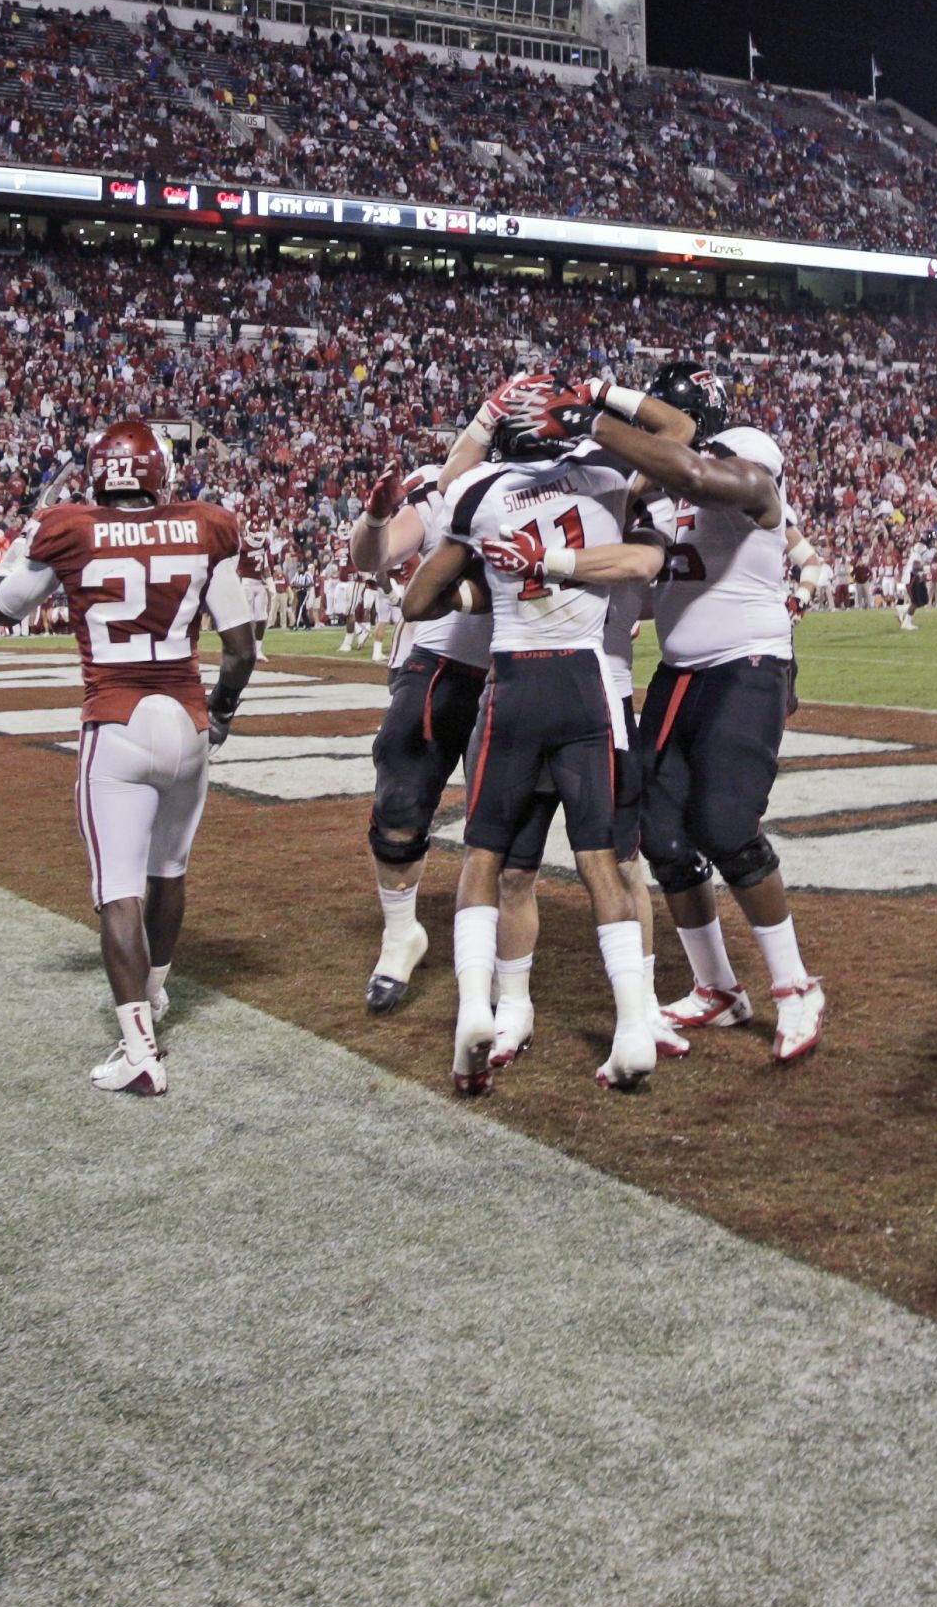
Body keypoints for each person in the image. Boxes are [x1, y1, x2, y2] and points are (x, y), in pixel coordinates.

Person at [401, 379, 674, 1095]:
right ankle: (631, 1024)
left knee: (485, 856)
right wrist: (607, 401)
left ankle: (474, 1008)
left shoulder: (480, 490)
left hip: (515, 683)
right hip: (590, 684)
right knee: (607, 868)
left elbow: (418, 599)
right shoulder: (611, 477)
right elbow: (674, 444)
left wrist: (491, 578)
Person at [0, 419, 261, 1097]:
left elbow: (3, 606)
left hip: (116, 720)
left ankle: (140, 1049)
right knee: (170, 871)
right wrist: (220, 714)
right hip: (187, 719)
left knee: (117, 889)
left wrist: (15, 548)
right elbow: (242, 647)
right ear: (159, 472)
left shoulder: (69, 526)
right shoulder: (206, 525)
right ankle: (157, 994)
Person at [591, 360, 830, 1065]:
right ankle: (718, 987)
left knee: (726, 826)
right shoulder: (656, 496)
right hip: (679, 674)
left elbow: (701, 476)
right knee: (662, 838)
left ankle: (794, 986)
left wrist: (602, 413)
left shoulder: (744, 453)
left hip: (748, 664)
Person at [351, 453, 493, 1015]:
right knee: (400, 798)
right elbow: (376, 556)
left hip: (523, 664)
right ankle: (400, 934)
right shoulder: (448, 484)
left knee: (502, 821)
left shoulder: (564, 484)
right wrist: (378, 519)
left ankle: (498, 961)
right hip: (438, 658)